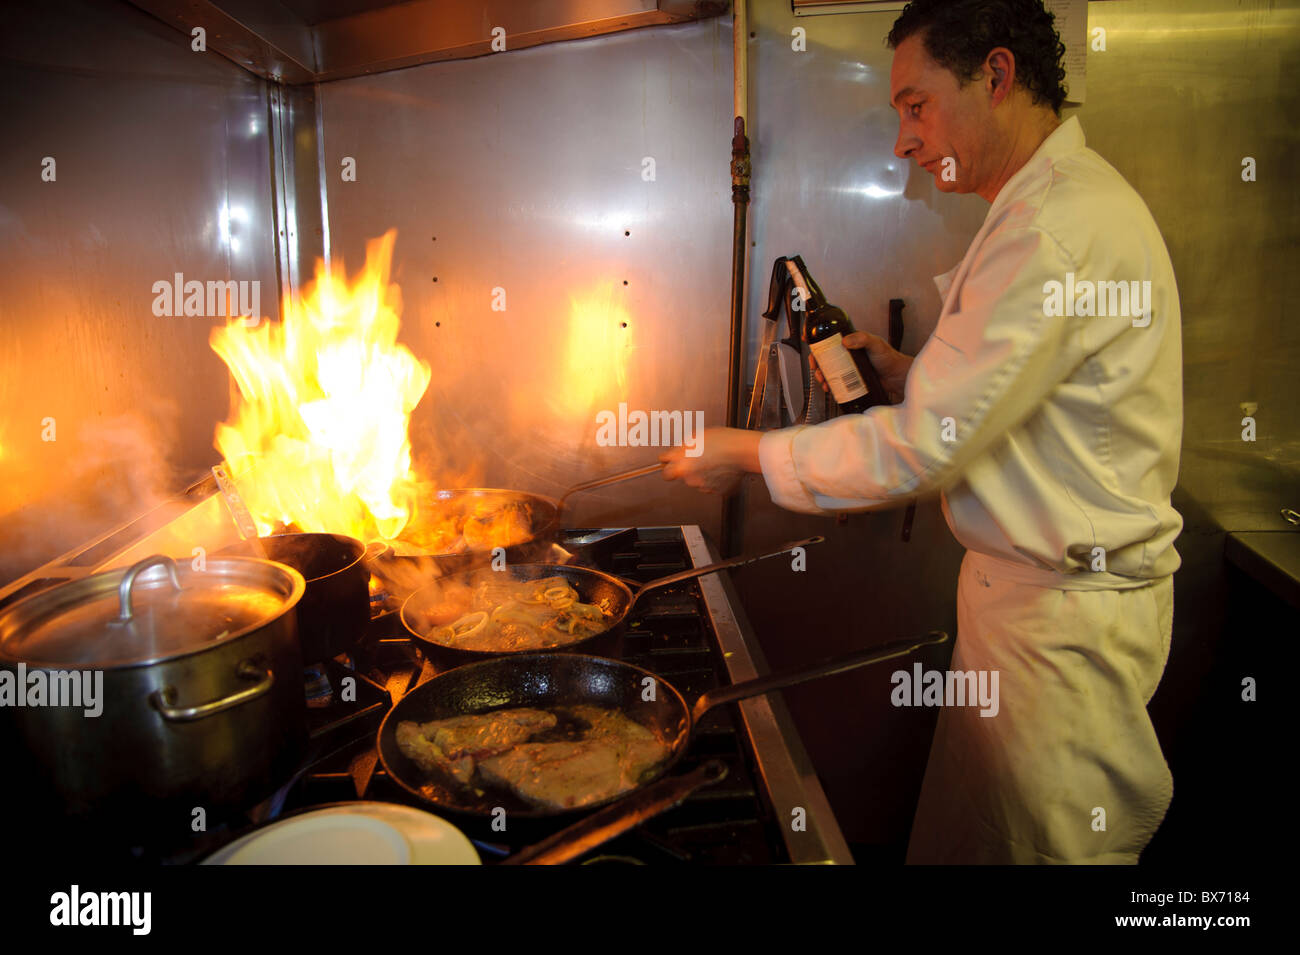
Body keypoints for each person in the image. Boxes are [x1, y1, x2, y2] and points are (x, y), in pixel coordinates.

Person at [659, 0, 1182, 864]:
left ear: (998, 76)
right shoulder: (1045, 208)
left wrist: (747, 452)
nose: (903, 140)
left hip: (1057, 640)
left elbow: (924, 446)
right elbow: (1014, 396)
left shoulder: (1054, 227)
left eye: (915, 104)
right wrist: (909, 373)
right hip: (1027, 617)